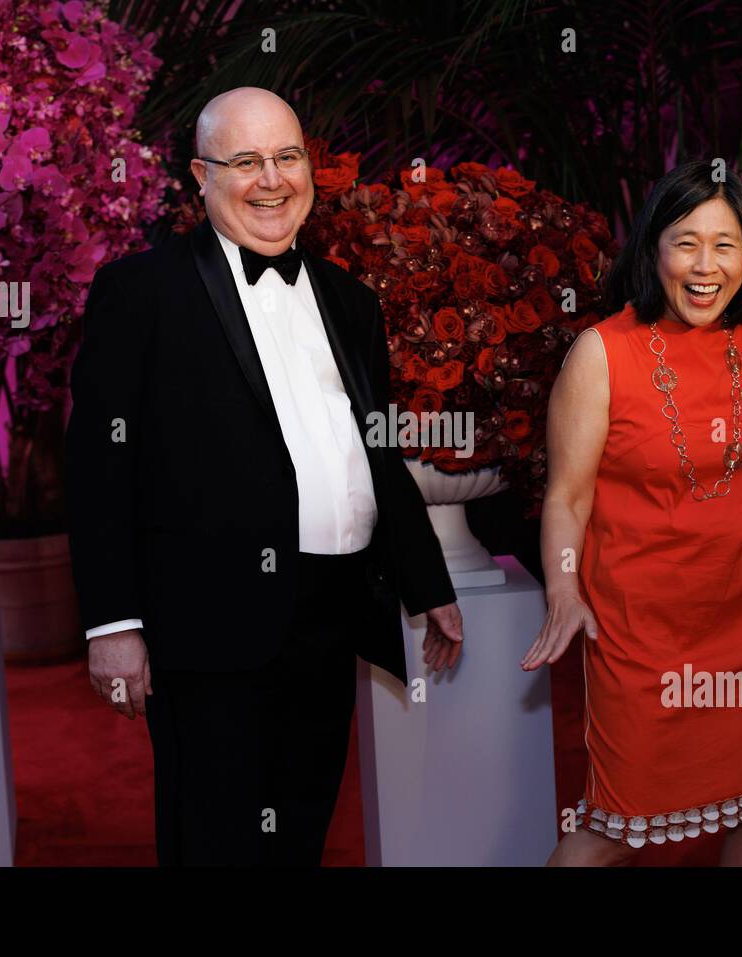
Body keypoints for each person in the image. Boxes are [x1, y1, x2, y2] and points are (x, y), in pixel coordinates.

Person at [65, 87, 463, 867]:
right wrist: (112, 624)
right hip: (206, 624)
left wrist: (428, 582)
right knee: (214, 840)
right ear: (199, 176)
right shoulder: (140, 292)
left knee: (301, 829)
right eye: (245, 161)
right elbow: (97, 462)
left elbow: (373, 452)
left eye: (286, 157)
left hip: (330, 611)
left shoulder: (350, 300)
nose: (272, 180)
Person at [523, 160, 742, 866]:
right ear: (653, 248)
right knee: (613, 830)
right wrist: (564, 588)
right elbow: (567, 495)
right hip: (641, 635)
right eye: (686, 241)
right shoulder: (601, 354)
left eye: (725, 244)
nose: (705, 264)